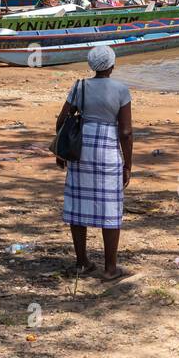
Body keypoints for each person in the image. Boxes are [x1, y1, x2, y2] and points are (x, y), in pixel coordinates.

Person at [55, 45, 133, 281]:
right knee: (110, 205)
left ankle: (82, 263)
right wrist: (127, 164)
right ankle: (110, 268)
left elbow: (61, 121)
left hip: (81, 149)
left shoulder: (79, 87)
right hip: (107, 148)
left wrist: (62, 152)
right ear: (111, 65)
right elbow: (126, 131)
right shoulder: (121, 89)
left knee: (78, 204)